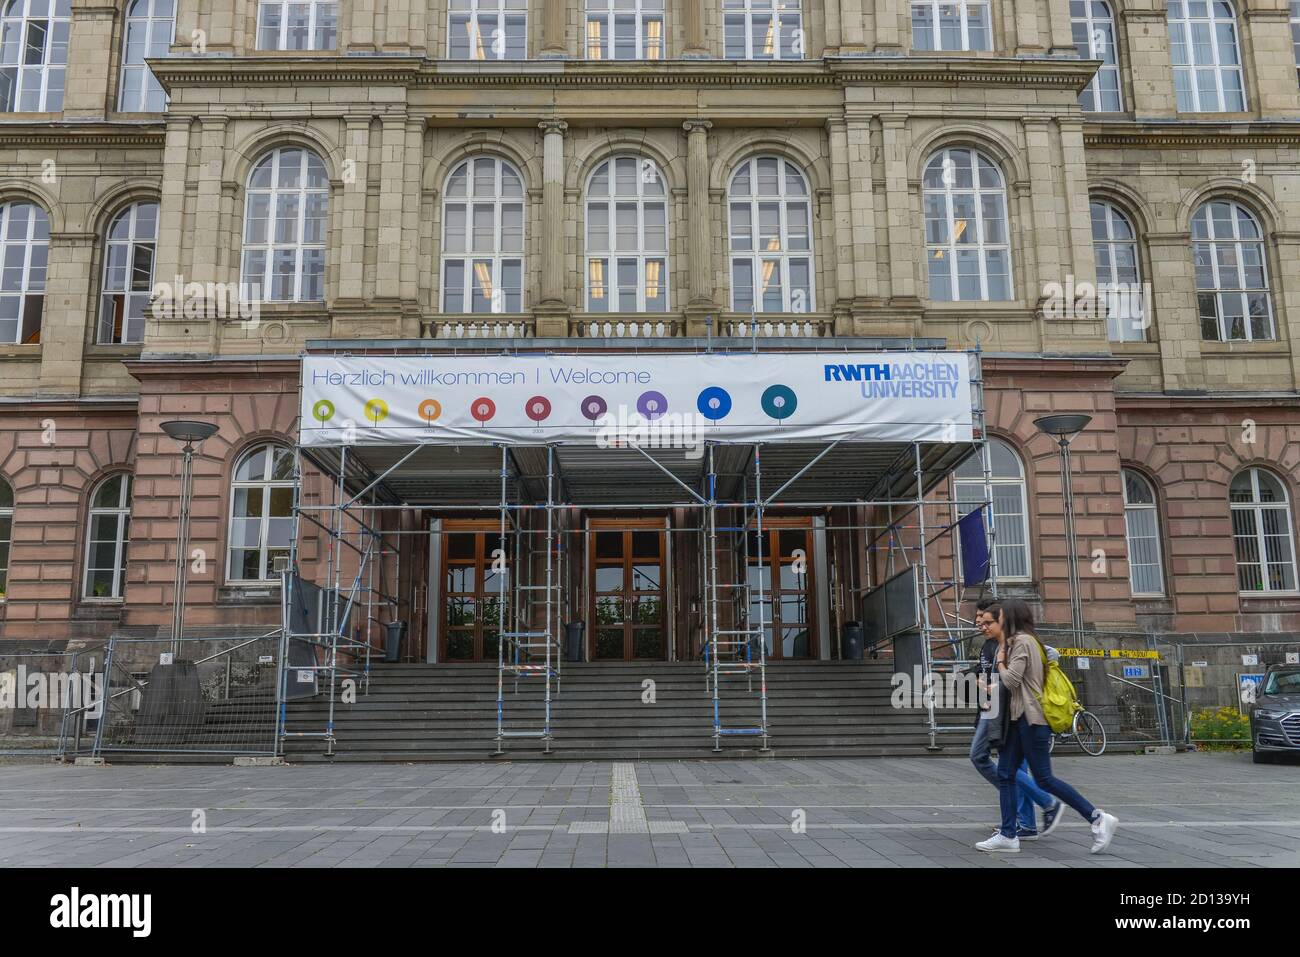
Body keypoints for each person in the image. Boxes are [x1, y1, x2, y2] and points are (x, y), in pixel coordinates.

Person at [975, 598, 1119, 854]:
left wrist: (999, 660)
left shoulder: (1023, 642)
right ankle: (1008, 835)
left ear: (1009, 619)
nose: (993, 624)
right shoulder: (1018, 642)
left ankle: (1097, 817)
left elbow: (1011, 680)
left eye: (997, 619)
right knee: (1006, 774)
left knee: (1044, 778)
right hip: (1018, 720)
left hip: (1032, 721)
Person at [967, 599, 1060, 841]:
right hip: (994, 707)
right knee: (1014, 767)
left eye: (985, 619)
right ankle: (1027, 823)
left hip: (1008, 710)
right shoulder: (989, 645)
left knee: (987, 759)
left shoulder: (1014, 642)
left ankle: (1046, 802)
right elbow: (983, 672)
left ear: (1000, 619)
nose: (980, 623)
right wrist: (975, 680)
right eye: (978, 619)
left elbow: (1050, 653)